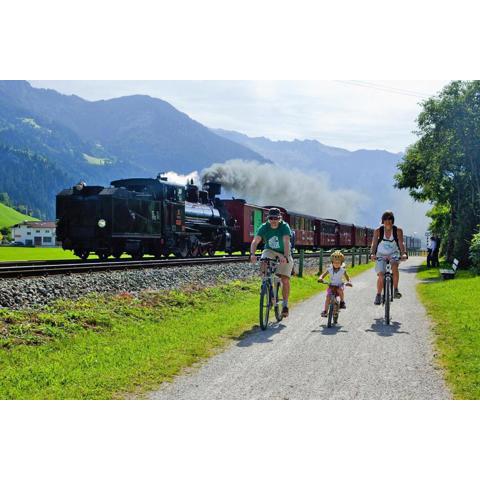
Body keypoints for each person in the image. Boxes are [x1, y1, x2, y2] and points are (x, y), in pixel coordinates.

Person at [250, 207, 293, 318]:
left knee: (285, 279)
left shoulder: (284, 226)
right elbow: (255, 240)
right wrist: (252, 254)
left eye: (276, 218)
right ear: (268, 219)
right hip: (270, 250)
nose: (273, 220)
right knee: (264, 260)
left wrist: (285, 256)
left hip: (284, 252)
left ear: (280, 218)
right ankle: (265, 284)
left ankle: (285, 305)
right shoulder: (265, 227)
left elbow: (286, 241)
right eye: (271, 218)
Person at [370, 210, 408, 305]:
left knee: (394, 267)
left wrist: (404, 253)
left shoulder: (398, 231)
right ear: (383, 220)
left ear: (393, 220)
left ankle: (395, 290)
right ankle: (378, 295)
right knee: (381, 275)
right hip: (381, 254)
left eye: (390, 219)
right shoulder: (378, 231)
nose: (388, 221)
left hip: (393, 254)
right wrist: (372, 254)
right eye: (386, 219)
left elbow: (401, 243)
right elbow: (374, 244)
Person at [318, 250, 352, 317]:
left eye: (338, 262)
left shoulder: (343, 270)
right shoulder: (329, 269)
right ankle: (325, 311)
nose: (336, 264)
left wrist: (349, 282)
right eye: (335, 262)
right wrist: (320, 278)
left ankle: (342, 302)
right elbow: (323, 275)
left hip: (339, 285)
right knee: (328, 297)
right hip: (331, 286)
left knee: (340, 290)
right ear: (332, 262)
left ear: (341, 263)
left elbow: (347, 277)